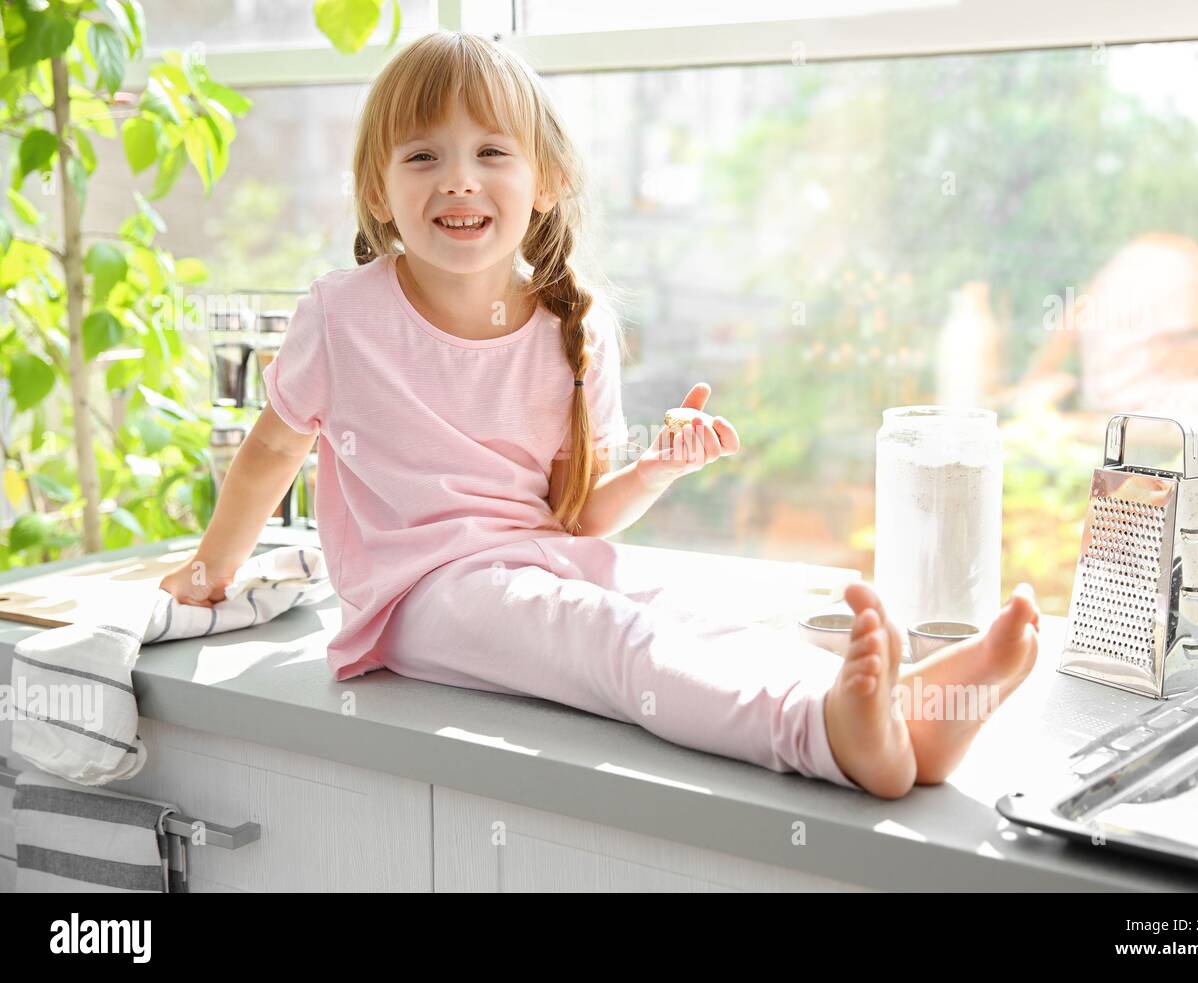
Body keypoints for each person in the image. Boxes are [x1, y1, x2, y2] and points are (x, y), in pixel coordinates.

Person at [160, 31, 1039, 799]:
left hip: (546, 558)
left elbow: (574, 515)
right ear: (379, 191)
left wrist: (654, 470)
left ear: (546, 182)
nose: (458, 178)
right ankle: (822, 735)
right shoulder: (342, 314)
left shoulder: (572, 329)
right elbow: (273, 447)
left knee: (700, 609)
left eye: (491, 153)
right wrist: (210, 568)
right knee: (609, 638)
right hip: (422, 594)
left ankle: (906, 712)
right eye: (422, 155)